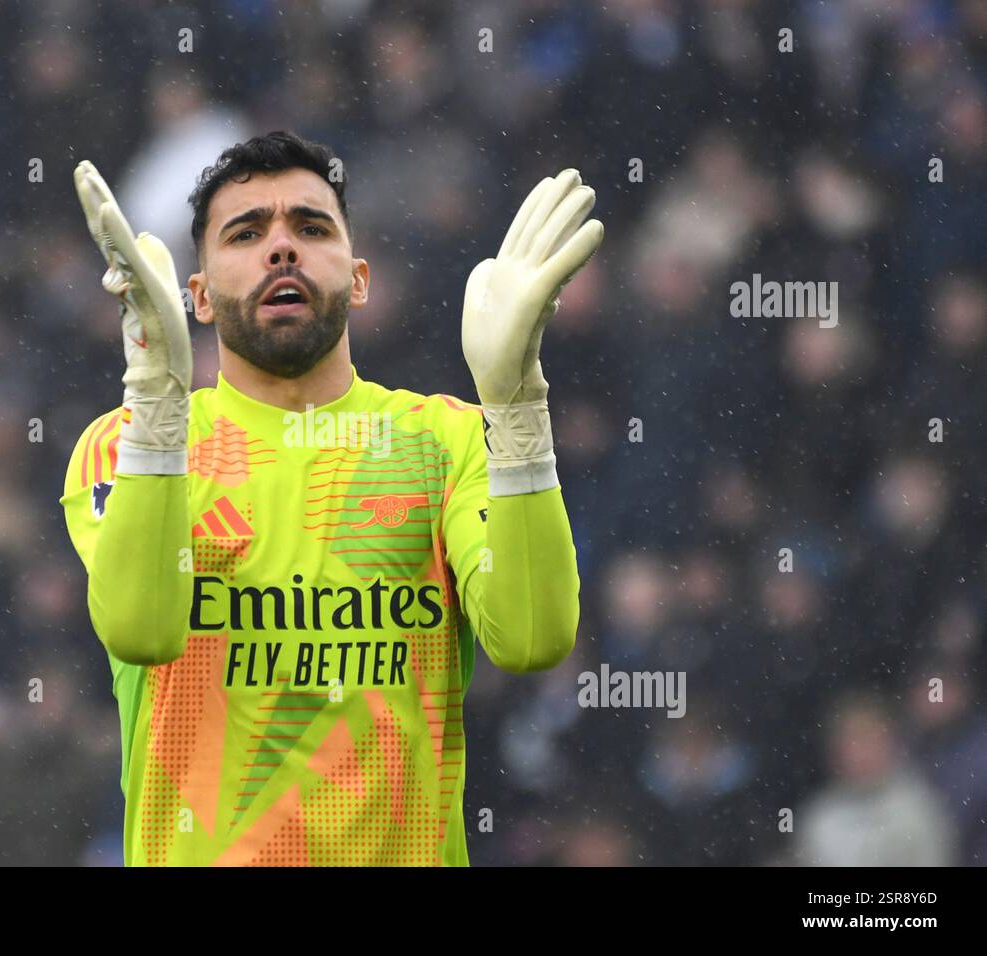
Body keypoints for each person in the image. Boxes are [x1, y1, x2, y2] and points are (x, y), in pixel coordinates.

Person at [59, 130, 603, 865]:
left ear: (359, 279)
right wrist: (157, 402)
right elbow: (140, 630)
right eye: (246, 233)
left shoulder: (449, 439)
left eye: (311, 228)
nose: (281, 248)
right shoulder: (129, 442)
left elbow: (534, 638)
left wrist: (517, 410)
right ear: (198, 298)